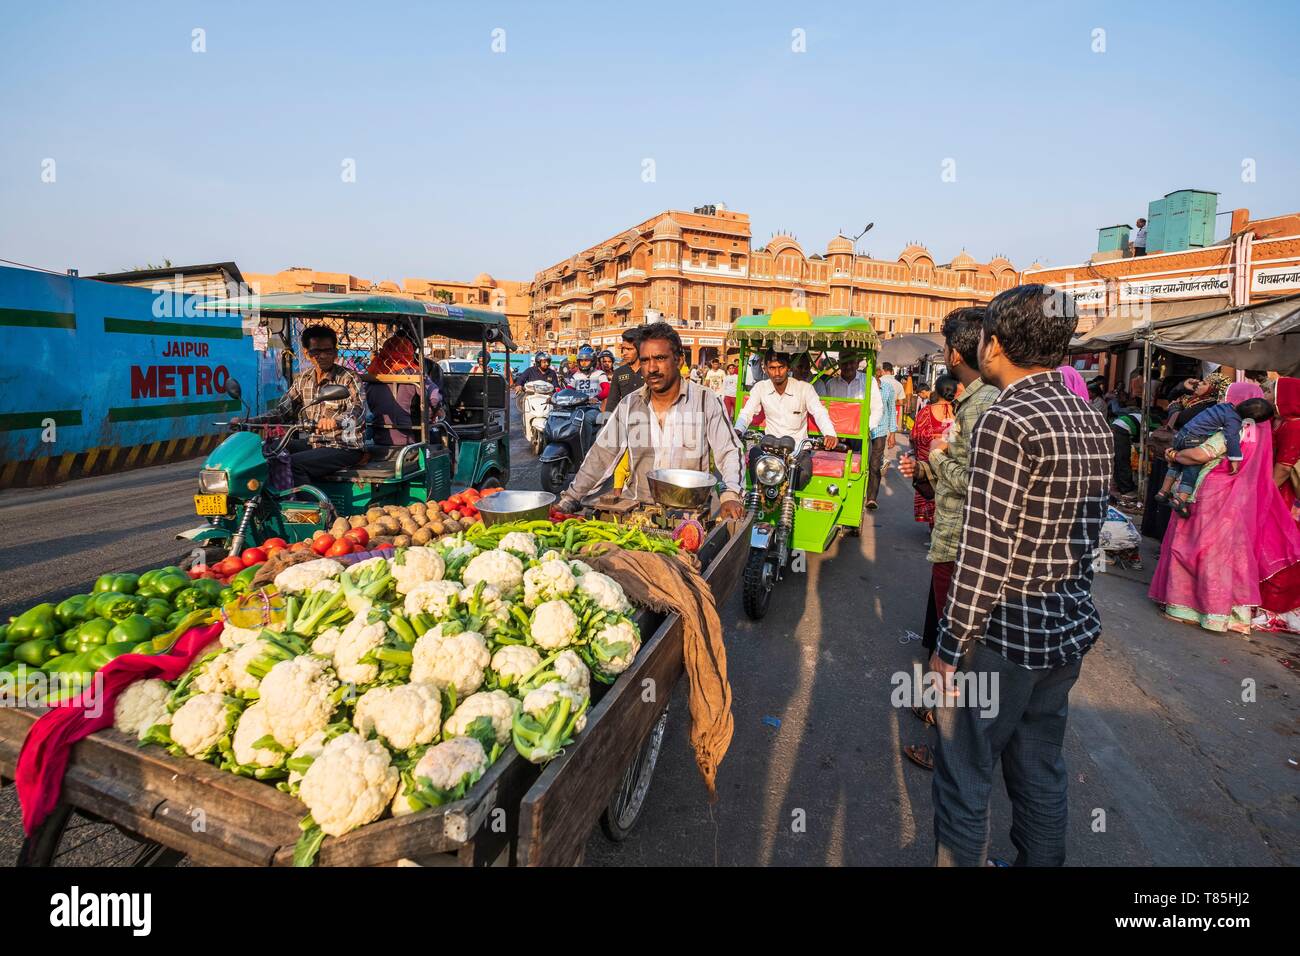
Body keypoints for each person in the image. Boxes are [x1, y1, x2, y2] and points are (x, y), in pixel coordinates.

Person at [930, 284, 1112, 867]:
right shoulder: (1090, 416)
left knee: (964, 770)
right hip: (1066, 628)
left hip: (1005, 635)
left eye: (984, 333)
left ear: (997, 344)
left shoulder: (1007, 418)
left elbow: (985, 550)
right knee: (1039, 769)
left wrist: (950, 646)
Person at [897, 308, 997, 773]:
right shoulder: (977, 400)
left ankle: (949, 746)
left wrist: (936, 458)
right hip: (958, 537)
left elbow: (977, 480)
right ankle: (941, 717)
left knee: (957, 649)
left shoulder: (981, 406)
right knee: (952, 642)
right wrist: (924, 470)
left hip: (963, 543)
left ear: (957, 351)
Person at [1150, 381, 1300, 633]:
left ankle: (1189, 608)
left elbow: (1201, 454)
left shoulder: (1233, 426)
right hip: (1241, 499)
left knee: (1195, 548)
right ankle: (1230, 614)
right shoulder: (1261, 431)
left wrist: (1173, 455)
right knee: (1232, 555)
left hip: (1212, 494)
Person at [555, 322, 745, 519]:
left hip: (690, 515)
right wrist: (571, 498)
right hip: (637, 514)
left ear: (679, 360)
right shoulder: (629, 405)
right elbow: (601, 454)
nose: (652, 368)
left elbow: (729, 451)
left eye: (660, 358)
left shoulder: (706, 401)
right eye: (645, 360)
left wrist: (731, 493)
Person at [274, 324, 367, 485]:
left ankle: (312, 509)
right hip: (313, 443)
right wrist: (251, 421)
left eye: (328, 351)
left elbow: (358, 409)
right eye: (316, 352)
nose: (322, 356)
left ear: (335, 352)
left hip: (343, 446)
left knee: (295, 463)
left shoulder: (348, 378)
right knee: (270, 450)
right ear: (306, 354)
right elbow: (283, 410)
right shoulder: (303, 379)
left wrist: (336, 421)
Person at [1156, 394, 1275, 516]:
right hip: (1194, 443)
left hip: (1182, 434)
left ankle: (1163, 491)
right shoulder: (1236, 424)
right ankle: (1181, 499)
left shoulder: (1225, 406)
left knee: (1176, 465)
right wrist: (1235, 459)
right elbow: (1229, 440)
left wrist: (1175, 456)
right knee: (1192, 467)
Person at [735, 350, 839, 450]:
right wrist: (738, 429)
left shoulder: (805, 388)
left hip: (799, 450)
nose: (777, 373)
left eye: (781, 367)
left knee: (806, 467)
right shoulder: (760, 387)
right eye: (772, 368)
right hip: (770, 448)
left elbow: (819, 412)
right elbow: (747, 412)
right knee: (752, 457)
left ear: (788, 368)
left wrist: (829, 433)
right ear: (765, 369)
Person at [361, 333, 441, 447]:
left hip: (379, 437)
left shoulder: (373, 374)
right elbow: (435, 399)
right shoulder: (415, 373)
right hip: (411, 439)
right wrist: (427, 419)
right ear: (410, 352)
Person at [909, 375, 957, 526]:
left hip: (930, 467)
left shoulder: (925, 412)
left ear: (937, 391)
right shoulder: (959, 412)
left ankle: (933, 531)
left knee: (932, 498)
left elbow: (915, 437)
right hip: (954, 468)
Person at [814, 350, 884, 451]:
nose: (848, 366)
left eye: (851, 362)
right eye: (845, 363)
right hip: (836, 436)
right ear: (839, 363)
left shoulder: (869, 381)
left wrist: (867, 428)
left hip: (860, 435)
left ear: (857, 363)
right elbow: (825, 410)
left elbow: (877, 408)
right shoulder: (831, 384)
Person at [865, 363, 898, 509]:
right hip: (863, 430)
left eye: (877, 372)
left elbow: (891, 411)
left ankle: (871, 498)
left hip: (880, 431)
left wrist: (892, 433)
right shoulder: (864, 385)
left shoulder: (888, 388)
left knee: (874, 464)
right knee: (861, 463)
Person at [1271, 377, 1300, 517]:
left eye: (1270, 391)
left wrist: (1266, 493)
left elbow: (1284, 467)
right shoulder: (1280, 420)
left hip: (1284, 487)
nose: (1265, 395)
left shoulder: (1294, 426)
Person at [604, 328, 645, 412]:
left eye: (629, 349)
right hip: (625, 419)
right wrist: (607, 422)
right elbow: (612, 402)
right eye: (623, 349)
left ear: (640, 349)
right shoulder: (619, 372)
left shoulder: (650, 370)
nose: (624, 353)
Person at [878, 362, 902, 440]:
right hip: (886, 424)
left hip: (876, 424)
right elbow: (900, 402)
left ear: (882, 371)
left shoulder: (877, 381)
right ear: (891, 371)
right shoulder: (898, 384)